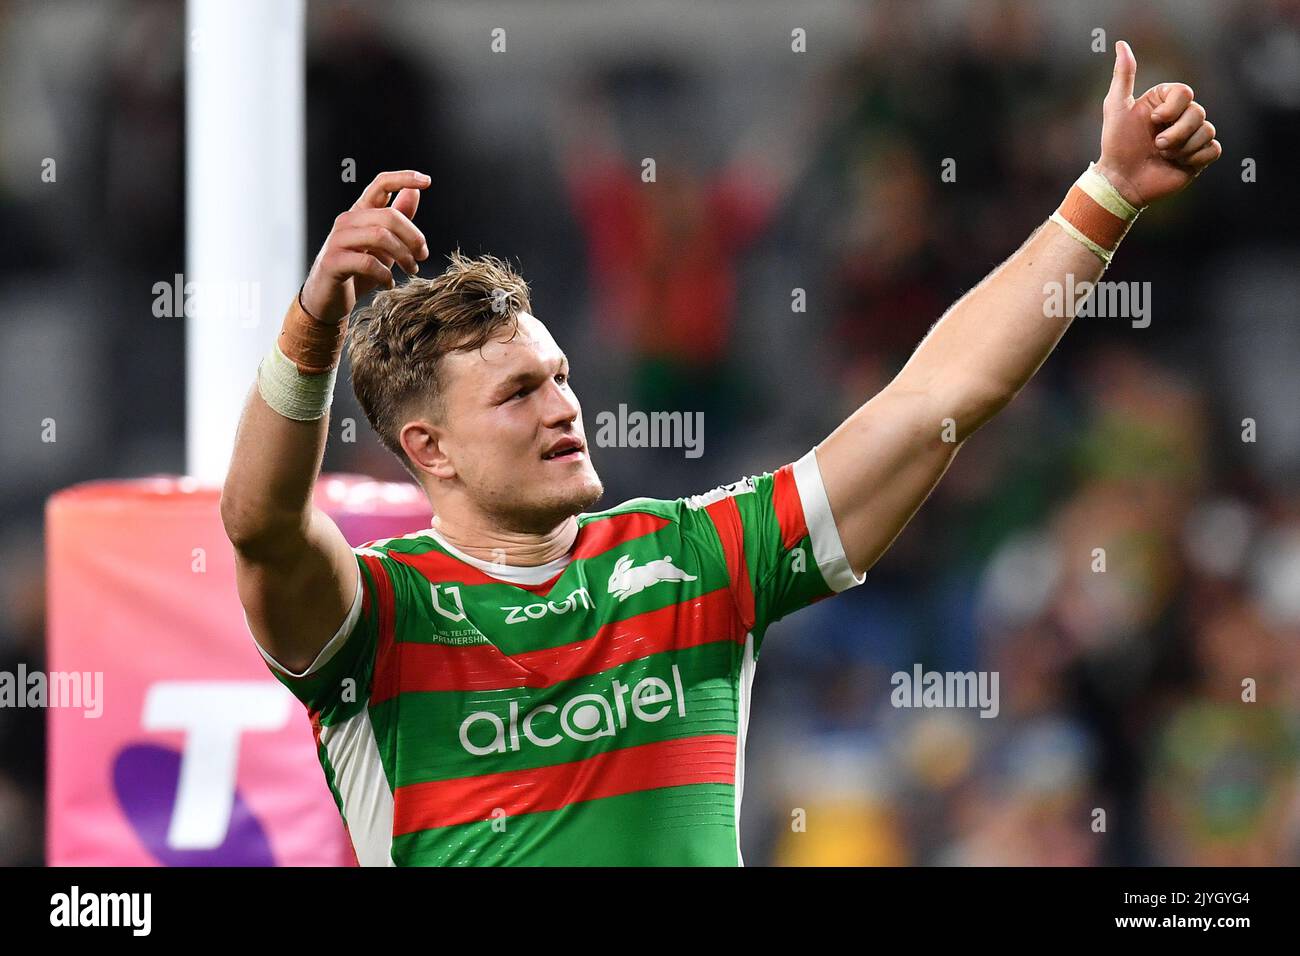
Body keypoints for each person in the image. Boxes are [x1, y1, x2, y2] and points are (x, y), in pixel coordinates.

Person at [220, 41, 1220, 866]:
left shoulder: (695, 558)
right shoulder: (380, 614)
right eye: (520, 391)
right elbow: (260, 523)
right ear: (427, 448)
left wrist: (1104, 197)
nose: (565, 406)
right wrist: (311, 328)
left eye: (562, 376)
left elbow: (935, 402)